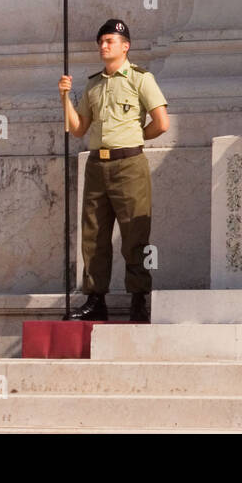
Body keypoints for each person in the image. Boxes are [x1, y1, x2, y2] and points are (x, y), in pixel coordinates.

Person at [58, 18, 168, 322]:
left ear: (125, 46)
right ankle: (96, 299)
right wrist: (65, 97)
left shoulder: (140, 79)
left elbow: (161, 122)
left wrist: (134, 138)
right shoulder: (93, 84)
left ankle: (138, 299)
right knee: (93, 235)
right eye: (101, 42)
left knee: (135, 233)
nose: (104, 46)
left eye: (110, 41)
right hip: (97, 165)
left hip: (129, 165)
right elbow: (78, 129)